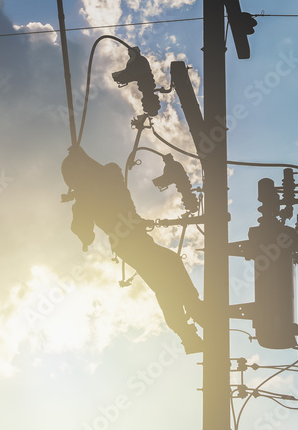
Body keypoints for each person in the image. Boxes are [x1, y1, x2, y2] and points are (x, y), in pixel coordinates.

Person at [62, 145, 205, 353]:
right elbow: (84, 230)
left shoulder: (100, 184)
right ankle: (192, 316)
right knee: (167, 272)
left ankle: (190, 325)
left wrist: (80, 167)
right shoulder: (86, 197)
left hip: (133, 239)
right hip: (128, 242)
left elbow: (112, 180)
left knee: (165, 282)